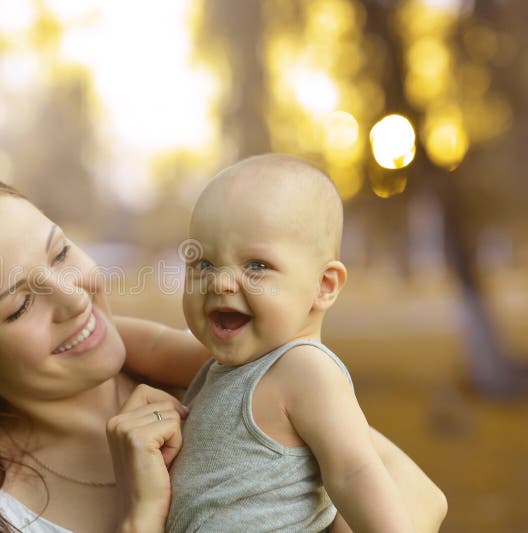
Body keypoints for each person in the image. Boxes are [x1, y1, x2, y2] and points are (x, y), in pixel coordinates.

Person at [0, 171, 446, 533]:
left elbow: (419, 497)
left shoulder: (220, 376)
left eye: (59, 252)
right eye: (19, 304)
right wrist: (142, 515)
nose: (75, 296)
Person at [167, 154, 440, 532]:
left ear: (323, 286)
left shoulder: (304, 370)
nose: (220, 283)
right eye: (204, 264)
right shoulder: (221, 365)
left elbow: (354, 472)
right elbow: (149, 345)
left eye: (256, 266)